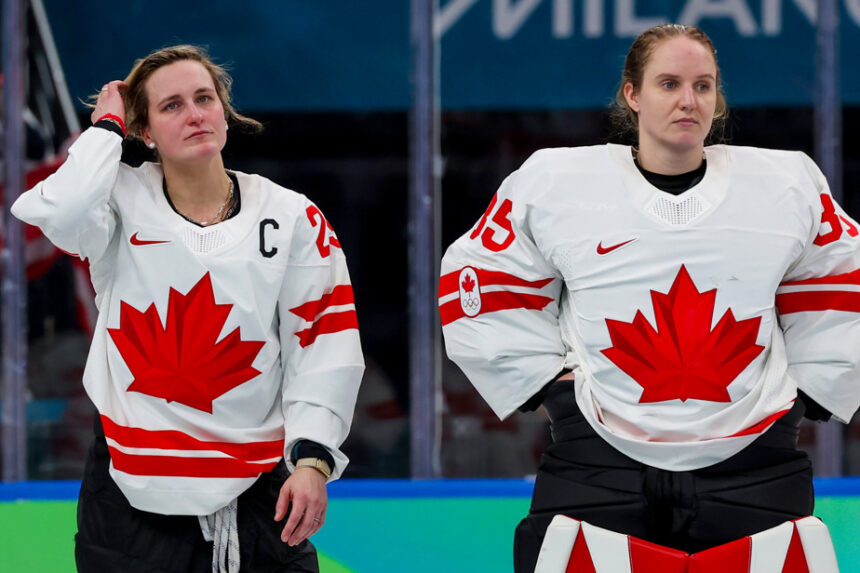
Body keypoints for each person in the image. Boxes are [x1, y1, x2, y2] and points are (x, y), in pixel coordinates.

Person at [439, 23, 860, 573]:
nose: (689, 100)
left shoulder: (788, 183)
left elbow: (840, 275)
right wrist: (545, 387)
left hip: (756, 464)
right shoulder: (553, 182)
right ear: (632, 94)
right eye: (669, 84)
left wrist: (814, 389)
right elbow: (481, 278)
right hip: (596, 462)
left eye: (703, 85)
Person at [11, 45, 364, 573]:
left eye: (204, 98)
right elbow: (60, 210)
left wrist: (313, 459)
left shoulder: (292, 216)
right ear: (145, 131)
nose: (195, 114)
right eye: (171, 105)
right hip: (129, 503)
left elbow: (323, 344)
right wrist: (106, 130)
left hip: (259, 495)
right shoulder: (117, 204)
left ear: (224, 111)